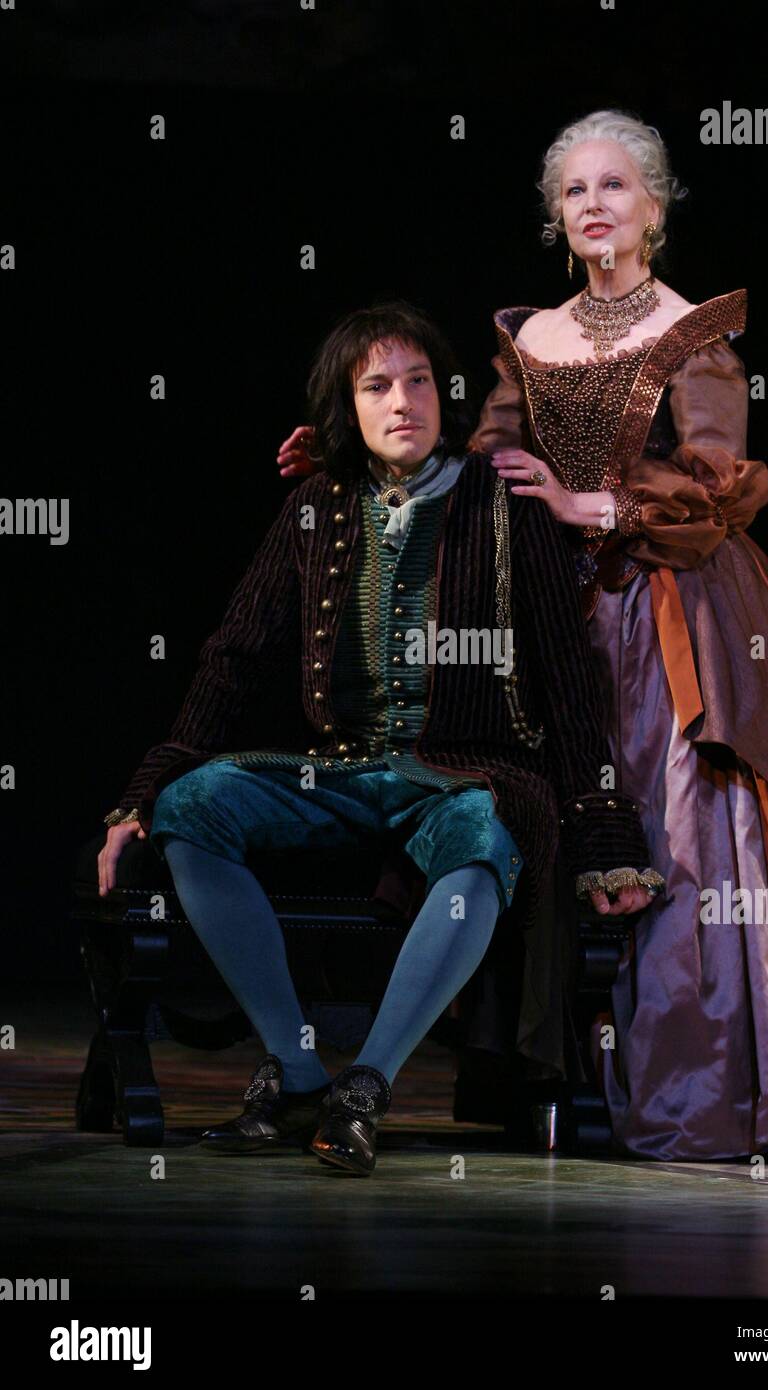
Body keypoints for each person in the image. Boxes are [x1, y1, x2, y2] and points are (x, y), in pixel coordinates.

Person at [277, 111, 768, 1162]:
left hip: (679, 611)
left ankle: (704, 1092)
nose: (594, 206)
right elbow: (475, 468)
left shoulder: (694, 338)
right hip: (551, 616)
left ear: (654, 208)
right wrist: (346, 465)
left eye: (615, 187)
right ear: (556, 218)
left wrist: (582, 507)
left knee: (680, 832)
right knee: (554, 816)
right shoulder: (532, 339)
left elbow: (713, 491)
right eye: (574, 192)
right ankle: (558, 1078)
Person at [97, 300, 661, 1177]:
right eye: (376, 386)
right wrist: (144, 791)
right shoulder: (316, 508)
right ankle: (294, 1069)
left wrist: (600, 828)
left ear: (445, 395)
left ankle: (365, 1086)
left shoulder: (505, 503)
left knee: (482, 837)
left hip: (468, 774)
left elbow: (566, 675)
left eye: (419, 381)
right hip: (346, 770)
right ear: (346, 411)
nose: (403, 401)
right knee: (192, 806)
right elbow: (232, 659)